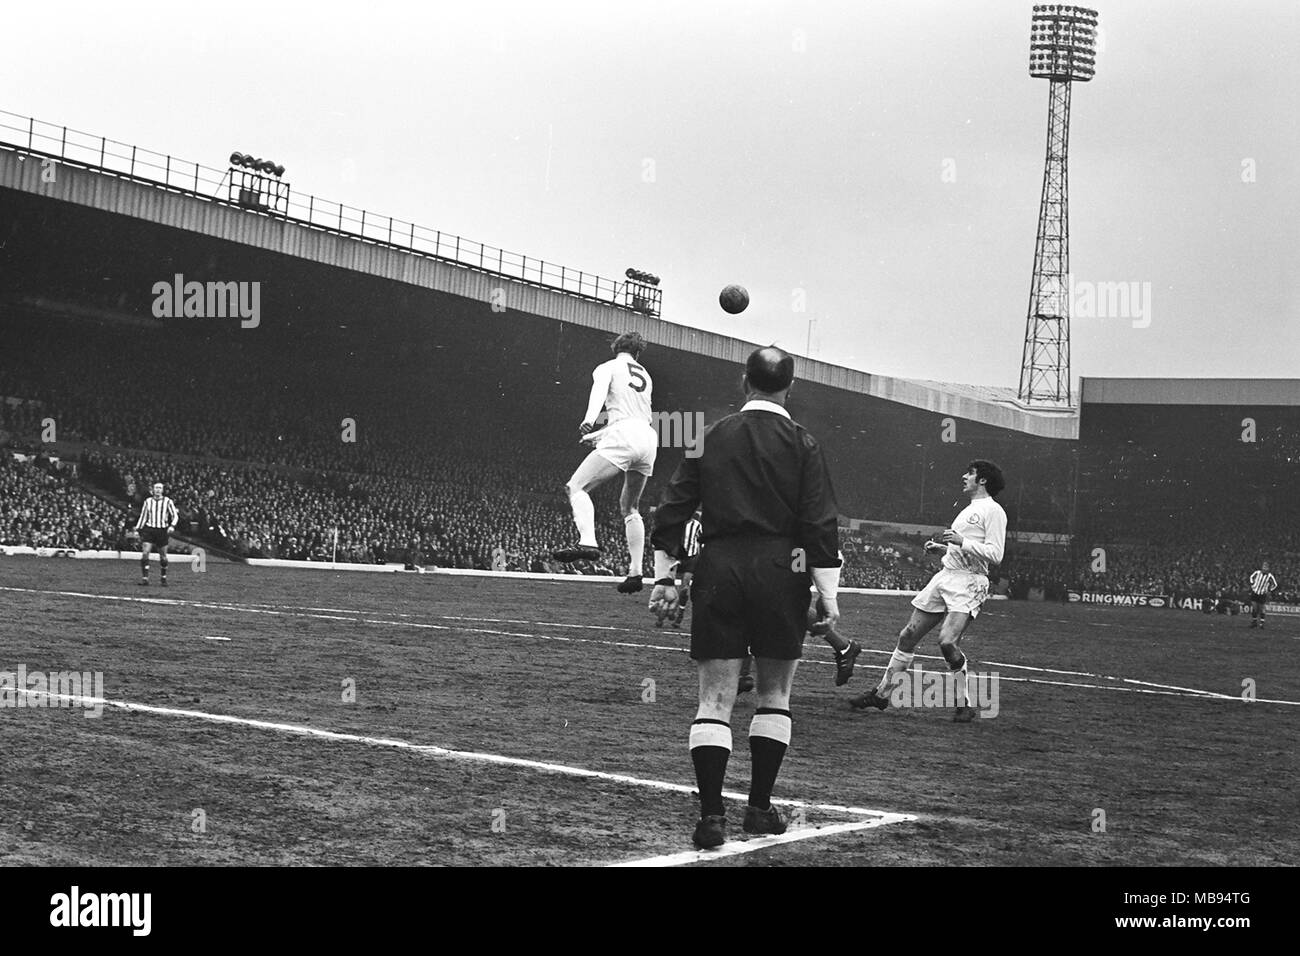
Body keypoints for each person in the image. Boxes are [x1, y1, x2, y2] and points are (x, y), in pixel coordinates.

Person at [649, 345, 842, 849]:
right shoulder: (804, 443)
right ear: (790, 387)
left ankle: (712, 818)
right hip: (784, 568)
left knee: (714, 698)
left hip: (720, 566)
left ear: (744, 382)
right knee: (774, 694)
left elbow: (671, 511)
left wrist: (666, 578)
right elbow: (819, 524)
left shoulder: (709, 436)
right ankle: (759, 809)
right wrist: (826, 594)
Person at [848, 460, 1006, 723]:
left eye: (970, 473)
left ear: (983, 480)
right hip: (945, 577)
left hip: (969, 583)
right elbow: (965, 550)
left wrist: (960, 541)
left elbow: (996, 554)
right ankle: (881, 694)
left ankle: (964, 704)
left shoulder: (993, 511)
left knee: (947, 642)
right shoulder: (969, 509)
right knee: (907, 636)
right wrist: (944, 550)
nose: (964, 476)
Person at [552, 331, 657, 594]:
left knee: (576, 487)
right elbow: (634, 417)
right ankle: (636, 572)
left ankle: (587, 541)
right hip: (647, 438)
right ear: (638, 353)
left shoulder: (608, 367)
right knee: (630, 507)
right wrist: (599, 435)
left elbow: (600, 393)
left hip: (623, 435)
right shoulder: (645, 375)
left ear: (615, 348)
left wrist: (590, 419)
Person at [135, 482, 179, 587]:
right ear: (153, 490)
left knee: (163, 556)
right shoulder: (148, 501)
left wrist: (172, 526)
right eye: (156, 488)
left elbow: (175, 516)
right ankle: (145, 579)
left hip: (162, 530)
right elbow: (143, 516)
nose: (158, 490)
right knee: (145, 553)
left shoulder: (168, 501)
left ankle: (163, 578)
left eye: (160, 488)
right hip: (149, 529)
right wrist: (138, 529)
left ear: (162, 490)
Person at [1248, 561, 1277, 628]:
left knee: (1262, 609)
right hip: (1255, 592)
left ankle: (1262, 623)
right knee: (1254, 608)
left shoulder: (1270, 576)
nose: (1264, 568)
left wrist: (1269, 590)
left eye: (1266, 567)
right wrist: (1252, 584)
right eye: (1263, 566)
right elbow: (1251, 577)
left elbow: (1275, 585)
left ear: (1268, 568)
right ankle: (1254, 622)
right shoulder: (1257, 572)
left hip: (1262, 594)